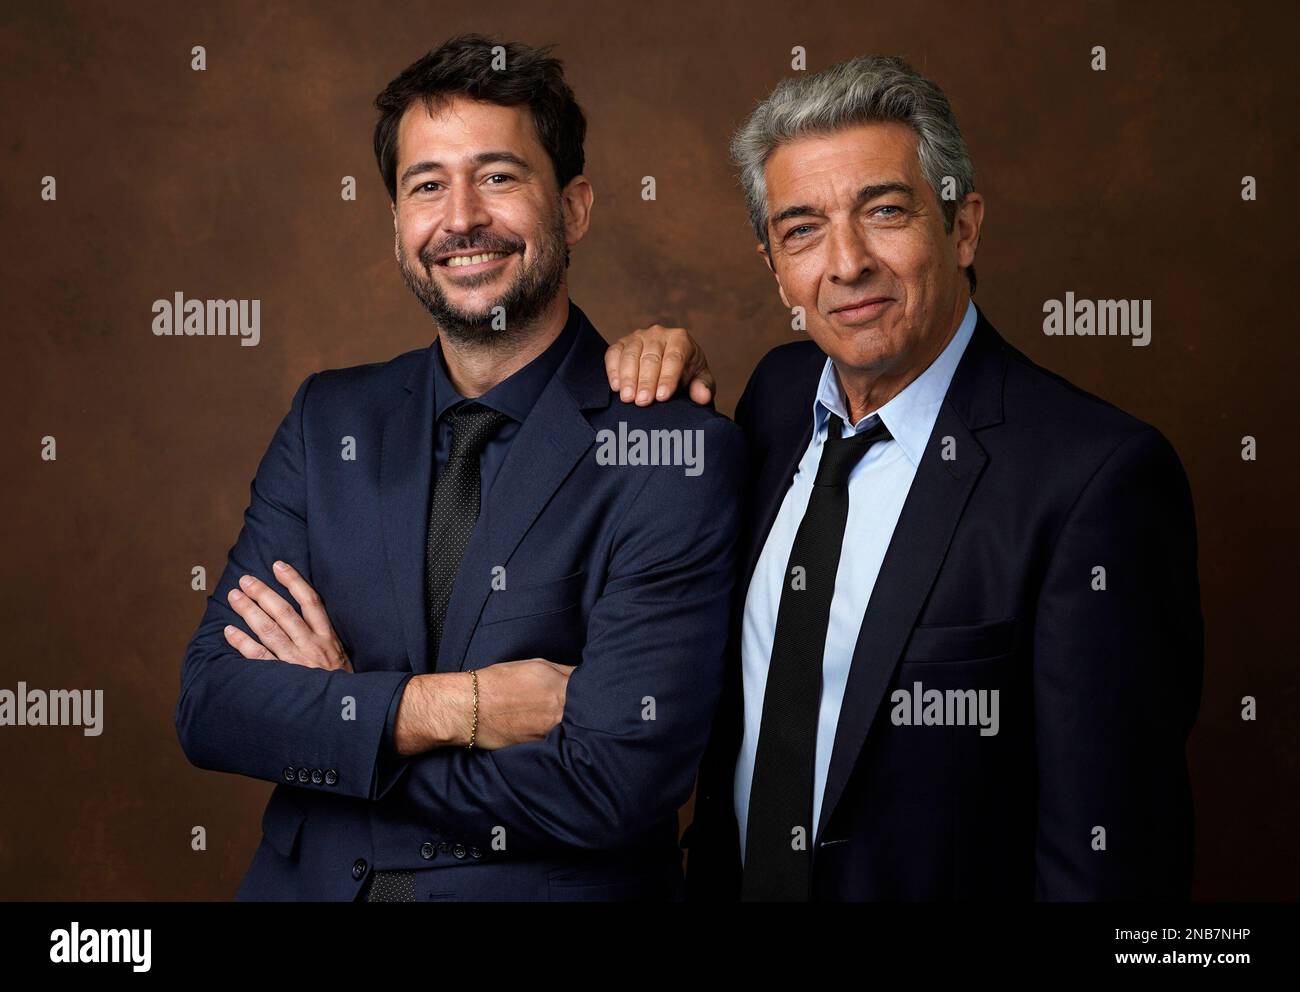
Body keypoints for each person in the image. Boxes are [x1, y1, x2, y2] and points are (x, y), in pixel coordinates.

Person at [607, 54, 1203, 900]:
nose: (846, 264)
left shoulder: (1097, 481)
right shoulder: (773, 403)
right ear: (776, 267)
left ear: (962, 228)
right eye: (802, 229)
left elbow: (1110, 860)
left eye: (884, 211)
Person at [174, 34, 743, 902]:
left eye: (500, 176)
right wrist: (447, 710)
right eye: (427, 184)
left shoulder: (670, 446)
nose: (462, 216)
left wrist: (343, 723)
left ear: (576, 207)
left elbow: (611, 785)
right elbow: (213, 703)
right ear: (398, 224)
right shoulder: (329, 419)